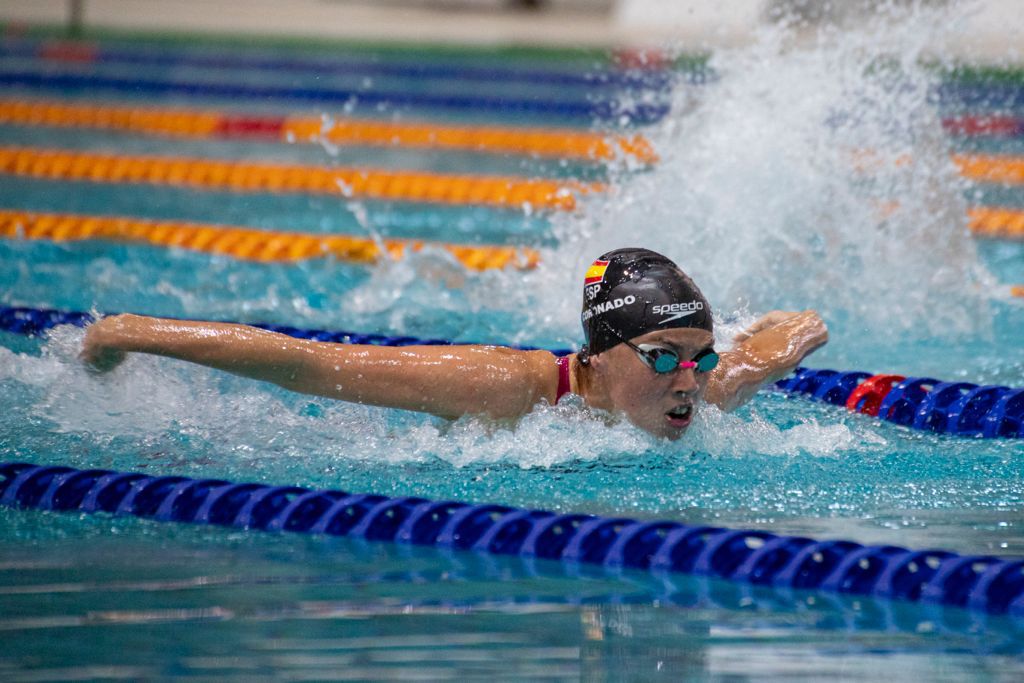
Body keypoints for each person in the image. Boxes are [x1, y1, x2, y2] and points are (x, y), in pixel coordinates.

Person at [81, 247, 828, 440]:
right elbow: (308, 363)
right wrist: (132, 332)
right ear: (599, 356)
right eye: (664, 356)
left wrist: (787, 334)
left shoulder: (706, 388)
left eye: (699, 357)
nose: (689, 381)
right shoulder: (504, 388)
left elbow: (787, 336)